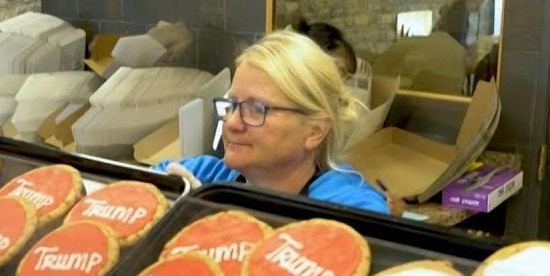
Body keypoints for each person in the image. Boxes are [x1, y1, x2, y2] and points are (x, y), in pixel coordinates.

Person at [160, 31, 390, 214]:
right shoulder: (204, 175)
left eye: (257, 109)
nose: (231, 123)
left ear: (315, 131)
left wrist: (203, 222)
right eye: (231, 105)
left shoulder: (350, 208)